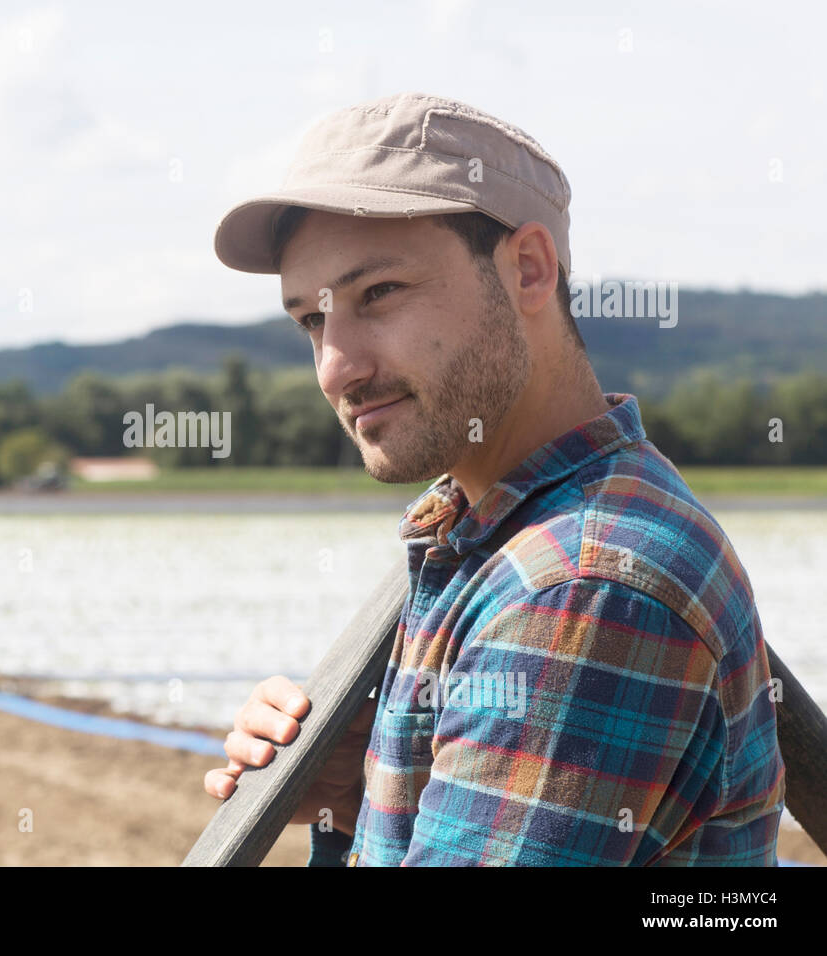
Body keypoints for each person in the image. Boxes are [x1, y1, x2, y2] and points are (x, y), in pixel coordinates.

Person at [202, 92, 786, 865]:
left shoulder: (580, 588)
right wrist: (360, 804)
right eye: (313, 319)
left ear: (529, 270)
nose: (336, 367)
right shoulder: (499, 530)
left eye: (378, 293)